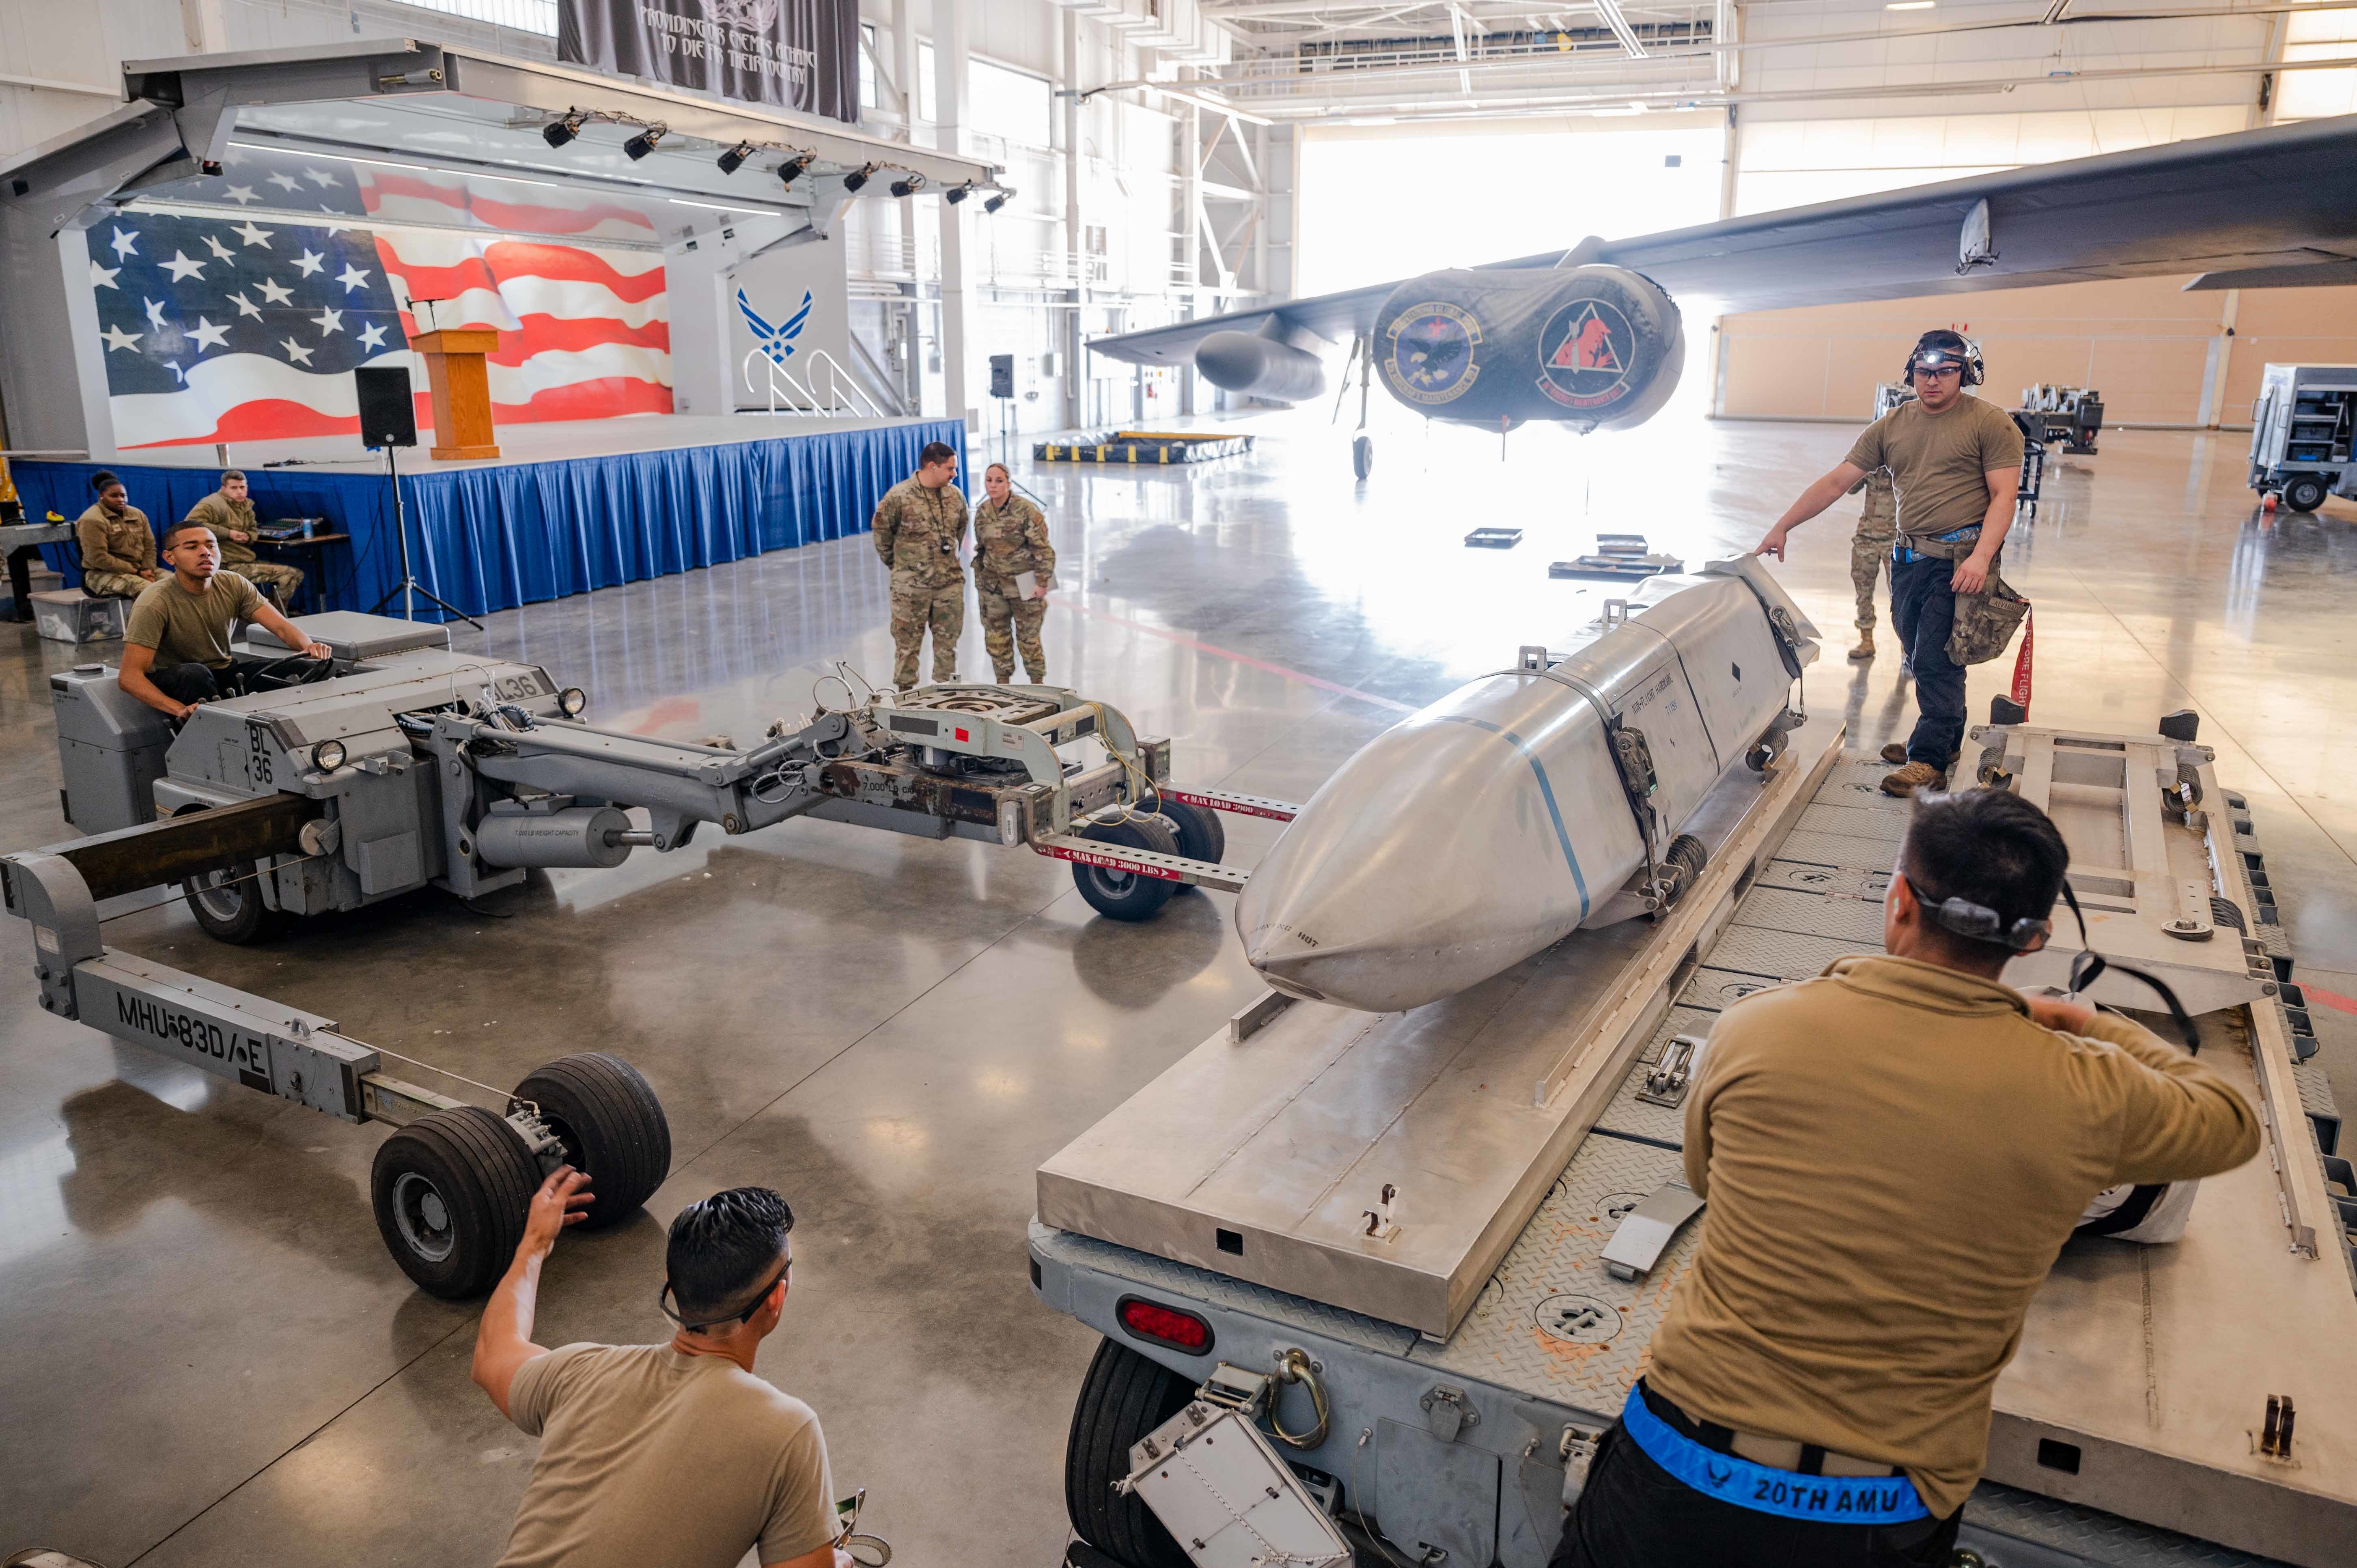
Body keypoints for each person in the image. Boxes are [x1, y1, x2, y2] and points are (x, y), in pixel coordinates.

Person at [1550, 787, 2260, 1568]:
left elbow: (1706, 1175)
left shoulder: (1757, 1027)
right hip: (1880, 1511)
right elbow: (2229, 1121)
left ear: (1897, 902)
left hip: (1679, 1469)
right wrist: (2088, 1022)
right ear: (2033, 940)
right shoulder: (2087, 1090)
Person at [471, 1175, 851, 1568]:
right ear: (777, 1298)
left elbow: (491, 1353)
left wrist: (535, 1242)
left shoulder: (581, 1371)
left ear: (672, 1286)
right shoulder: (789, 1434)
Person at [1753, 331, 2023, 796]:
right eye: (1924, 372)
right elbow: (1839, 481)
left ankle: (1929, 758)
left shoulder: (1991, 424)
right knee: (1919, 653)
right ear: (1911, 373)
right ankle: (1946, 738)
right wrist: (1784, 525)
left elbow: (2004, 497)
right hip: (1907, 562)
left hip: (1958, 561)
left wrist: (1981, 558)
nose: (1932, 381)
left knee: (1937, 660)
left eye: (1944, 372)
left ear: (1966, 374)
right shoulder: (1893, 425)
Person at [118, 521, 329, 719]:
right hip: (177, 679)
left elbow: (282, 627)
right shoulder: (154, 602)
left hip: (222, 672)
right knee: (196, 674)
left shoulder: (234, 583)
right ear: (170, 558)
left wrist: (309, 647)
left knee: (308, 668)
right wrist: (180, 709)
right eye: (192, 547)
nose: (205, 552)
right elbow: (130, 677)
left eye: (211, 546)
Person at [871, 441, 968, 688]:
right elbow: (882, 536)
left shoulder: (954, 496)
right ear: (932, 466)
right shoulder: (899, 497)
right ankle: (905, 707)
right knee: (907, 650)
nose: (954, 474)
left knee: (948, 650)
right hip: (911, 590)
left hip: (948, 586)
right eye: (950, 469)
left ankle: (945, 700)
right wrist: (903, 568)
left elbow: (961, 530)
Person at [972, 462, 1057, 684]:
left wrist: (1043, 582)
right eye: (989, 480)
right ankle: (1003, 684)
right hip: (994, 587)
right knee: (997, 639)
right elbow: (982, 549)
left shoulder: (1026, 510)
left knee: (1029, 640)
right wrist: (981, 583)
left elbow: (1044, 549)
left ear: (1009, 483)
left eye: (999, 481)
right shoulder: (982, 512)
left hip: (1026, 582)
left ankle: (1038, 685)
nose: (993, 486)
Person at [184, 470, 304, 609]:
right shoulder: (212, 504)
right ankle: (274, 616)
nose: (240, 492)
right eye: (234, 488)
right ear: (224, 488)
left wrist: (248, 537)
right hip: (225, 564)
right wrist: (228, 533)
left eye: (242, 487)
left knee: (293, 575)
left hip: (243, 559)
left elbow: (253, 530)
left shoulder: (246, 507)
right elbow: (191, 525)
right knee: (290, 575)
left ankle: (266, 613)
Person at [75, 470, 159, 599]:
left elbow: (150, 546)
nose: (120, 500)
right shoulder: (92, 520)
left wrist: (147, 569)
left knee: (178, 584)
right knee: (150, 592)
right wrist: (136, 572)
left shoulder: (137, 515)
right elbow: (98, 558)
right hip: (101, 574)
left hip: (141, 570)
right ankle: (147, 620)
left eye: (123, 496)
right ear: (101, 497)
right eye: (114, 496)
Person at [1846, 469, 1896, 662]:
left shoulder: (1903, 461)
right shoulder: (1870, 464)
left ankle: (1907, 647)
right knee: (1863, 590)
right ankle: (1866, 641)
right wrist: (1865, 464)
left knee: (1900, 594)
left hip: (1896, 538)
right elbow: (1850, 487)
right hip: (1866, 537)